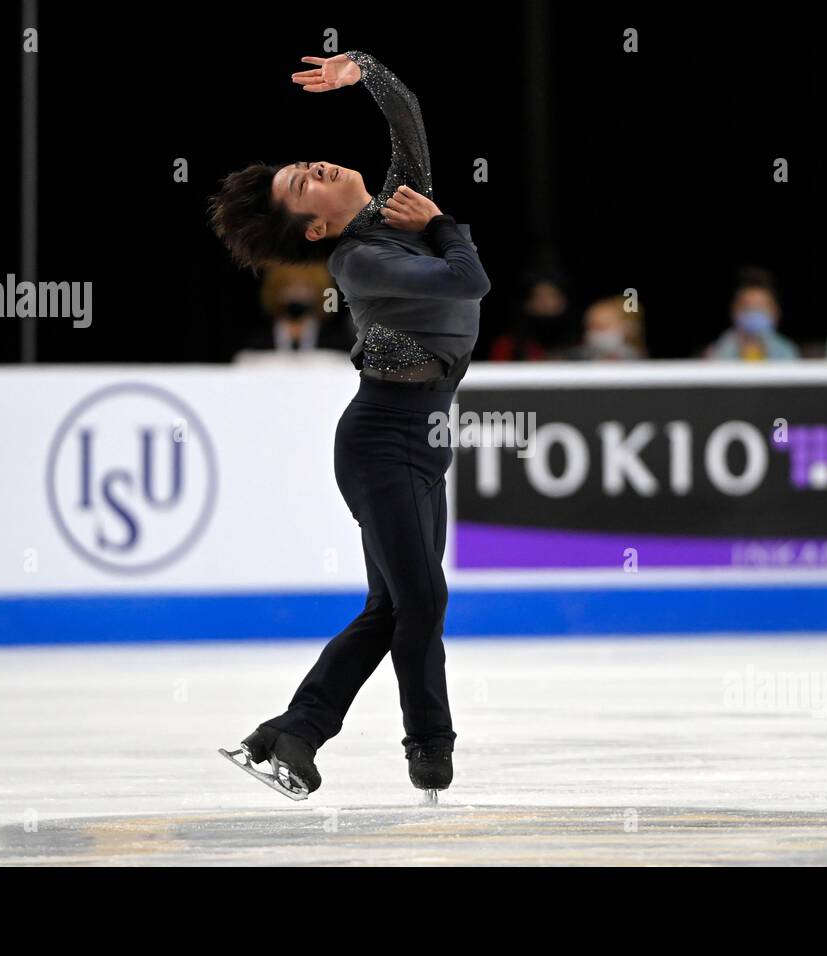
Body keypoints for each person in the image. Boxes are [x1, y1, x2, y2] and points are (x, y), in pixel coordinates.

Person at [208, 49, 490, 800]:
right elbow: (469, 280)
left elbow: (409, 118)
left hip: (428, 442)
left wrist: (362, 69)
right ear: (312, 229)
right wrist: (447, 227)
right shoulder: (360, 259)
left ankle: (292, 735)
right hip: (379, 441)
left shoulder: (399, 205)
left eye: (307, 162)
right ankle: (427, 746)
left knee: (398, 603)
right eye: (304, 184)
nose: (320, 167)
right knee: (421, 599)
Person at [700, 267, 800, 360]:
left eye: (761, 307)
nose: (754, 311)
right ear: (734, 311)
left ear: (775, 312)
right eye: (747, 307)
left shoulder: (786, 350)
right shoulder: (719, 349)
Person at [560, 296, 648, 360]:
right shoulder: (574, 359)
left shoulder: (642, 364)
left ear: (629, 327)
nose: (594, 333)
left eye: (601, 327)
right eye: (590, 327)